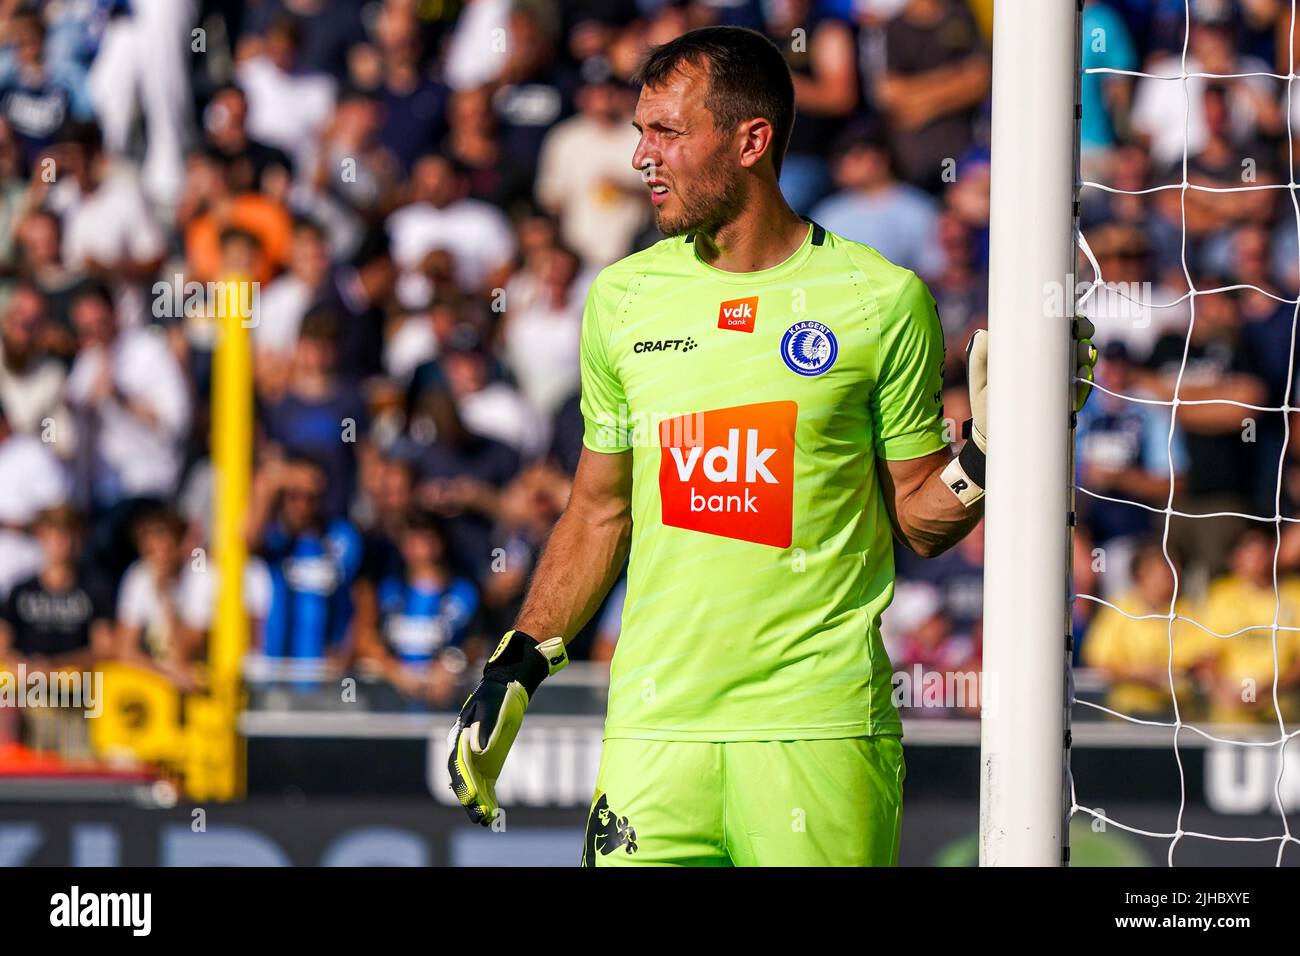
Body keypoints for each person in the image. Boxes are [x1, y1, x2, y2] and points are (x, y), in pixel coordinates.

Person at [445, 26, 1092, 866]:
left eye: (666, 132)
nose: (641, 156)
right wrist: (515, 665)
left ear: (751, 141)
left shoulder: (881, 301)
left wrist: (994, 454)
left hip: (815, 734)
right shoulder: (621, 299)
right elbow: (598, 512)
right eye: (641, 131)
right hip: (654, 733)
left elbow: (923, 521)